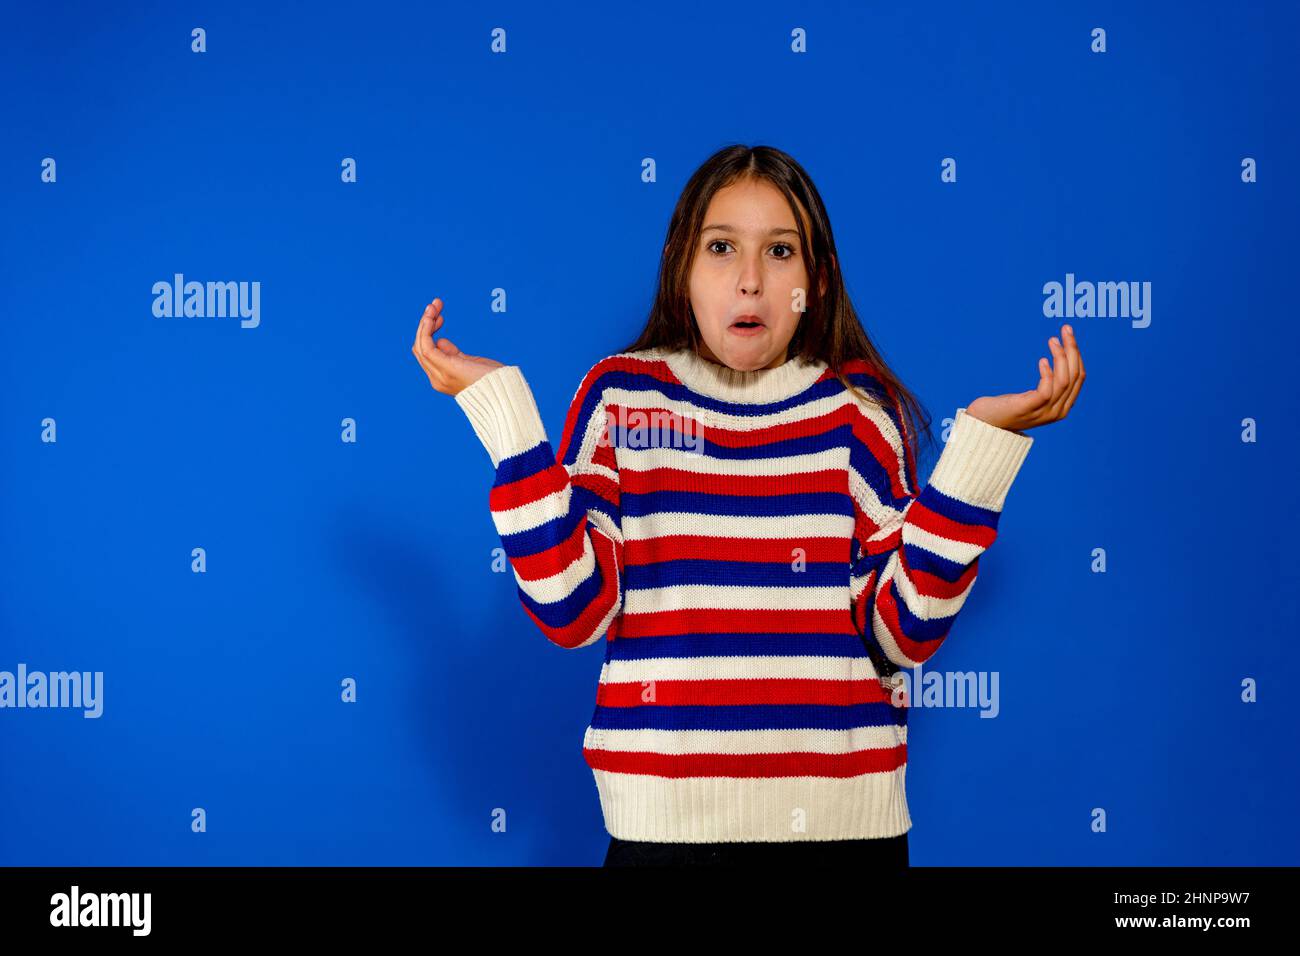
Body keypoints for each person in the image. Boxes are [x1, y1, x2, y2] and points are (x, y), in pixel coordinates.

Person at [411, 144, 1085, 867]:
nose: (751, 281)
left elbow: (902, 636)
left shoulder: (857, 416)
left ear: (816, 283)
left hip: (845, 840)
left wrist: (980, 454)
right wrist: (508, 420)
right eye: (722, 247)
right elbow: (572, 613)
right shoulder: (623, 400)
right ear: (683, 267)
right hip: (661, 839)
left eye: (782, 252)